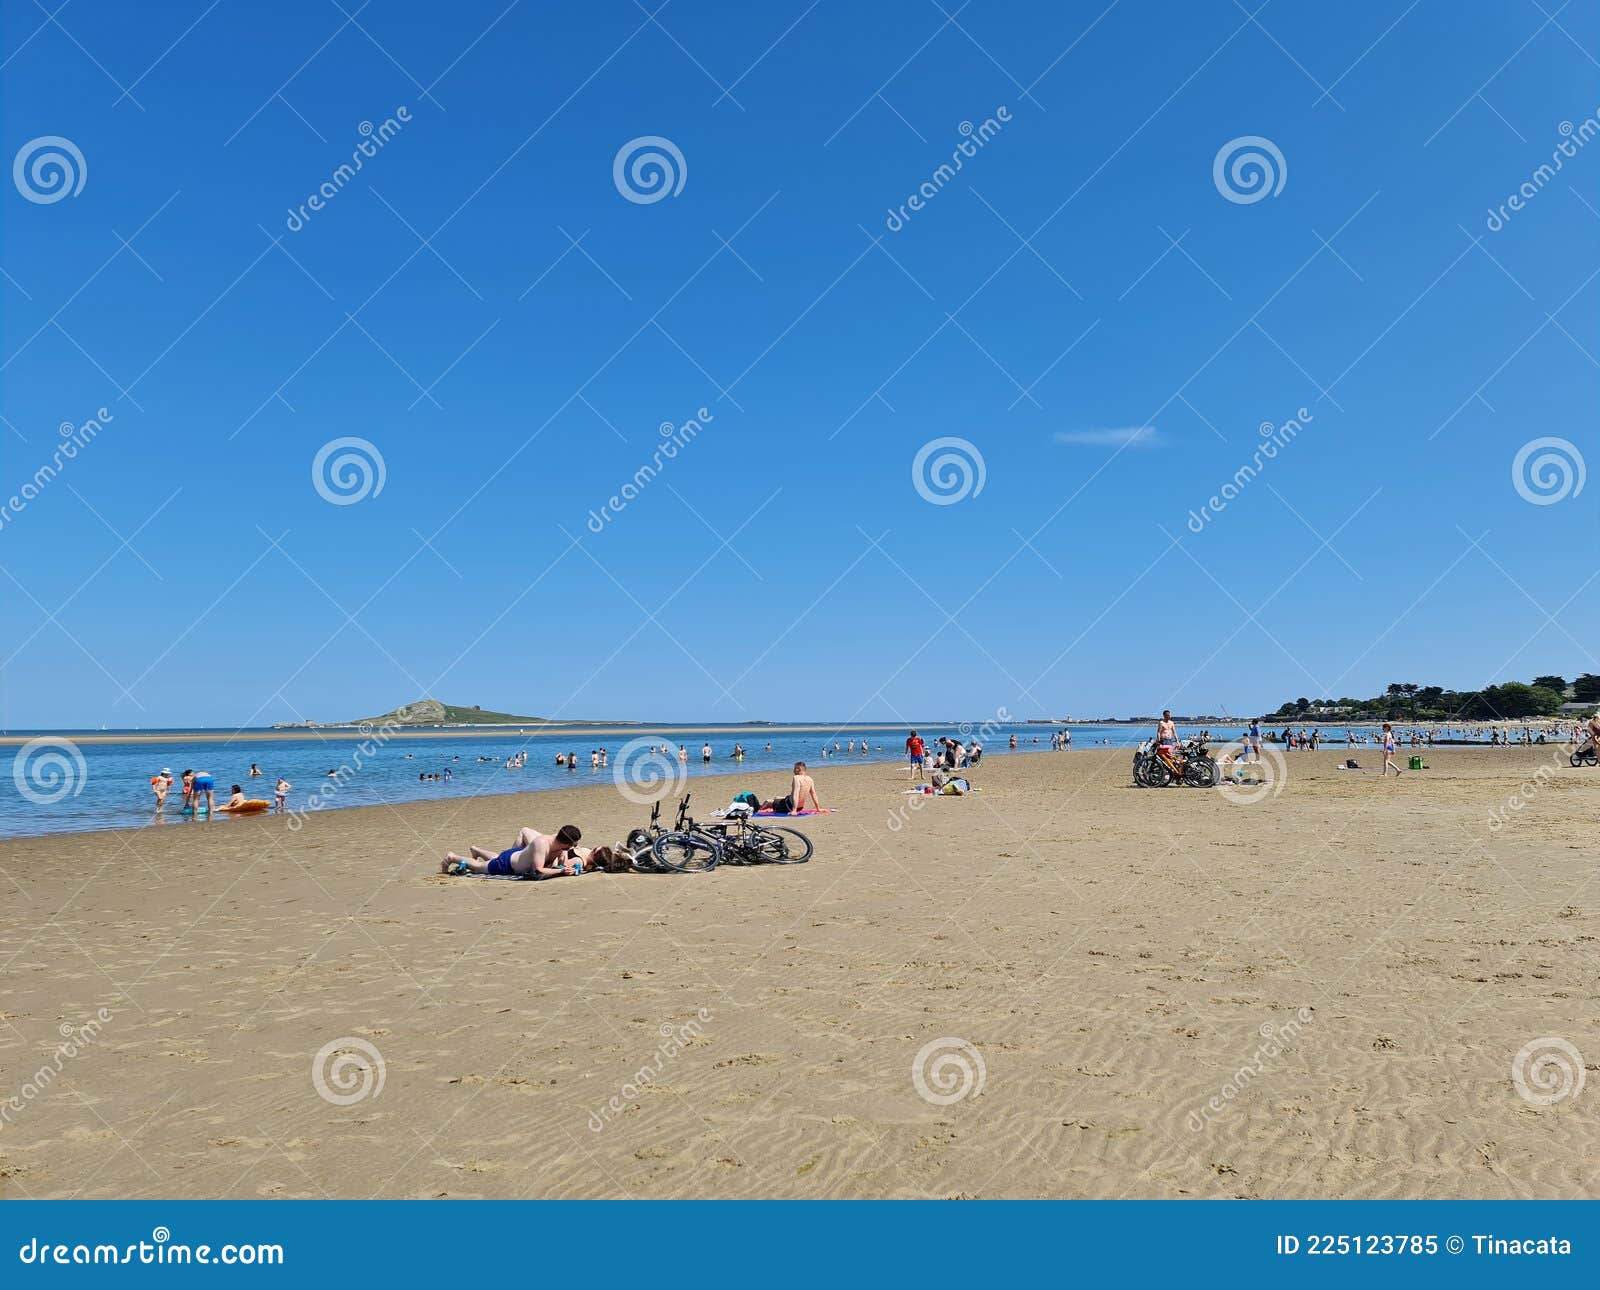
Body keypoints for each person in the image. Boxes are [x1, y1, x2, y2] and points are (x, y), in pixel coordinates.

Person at [440, 825, 587, 878]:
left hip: (515, 856)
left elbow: (557, 860)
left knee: (493, 859)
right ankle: (452, 857)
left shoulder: (559, 845)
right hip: (507, 865)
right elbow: (539, 869)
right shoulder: (542, 843)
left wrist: (563, 866)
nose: (572, 848)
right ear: (564, 842)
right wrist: (561, 872)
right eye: (571, 845)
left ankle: (477, 850)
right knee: (478, 867)